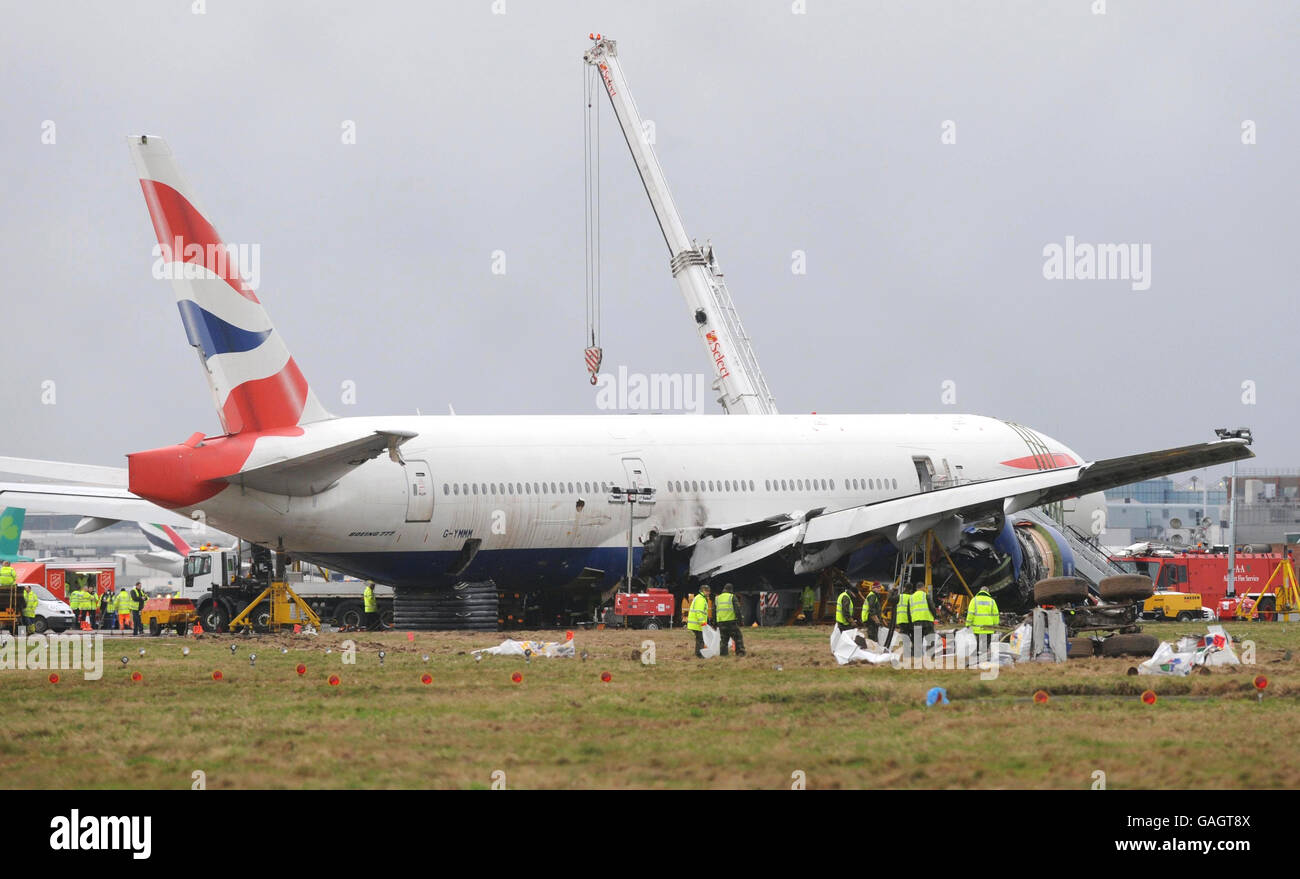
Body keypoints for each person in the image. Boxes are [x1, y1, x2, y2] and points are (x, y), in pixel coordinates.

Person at [965, 586, 1000, 662]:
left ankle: (975, 658)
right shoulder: (992, 601)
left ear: (980, 591)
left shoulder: (974, 600)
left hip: (977, 628)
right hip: (989, 628)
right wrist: (996, 625)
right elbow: (995, 614)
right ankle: (984, 658)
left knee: (977, 643)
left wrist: (968, 624)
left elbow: (970, 613)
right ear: (987, 592)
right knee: (986, 644)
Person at [715, 583, 745, 657]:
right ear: (731, 590)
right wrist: (740, 621)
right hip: (731, 621)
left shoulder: (718, 598)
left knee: (724, 639)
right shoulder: (732, 597)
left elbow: (714, 611)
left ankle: (723, 654)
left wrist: (714, 622)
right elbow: (737, 610)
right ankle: (740, 652)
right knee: (738, 637)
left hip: (721, 622)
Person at [909, 583, 936, 657]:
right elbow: (932, 607)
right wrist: (935, 615)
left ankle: (916, 654)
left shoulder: (911, 597)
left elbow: (910, 610)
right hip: (927, 620)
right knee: (930, 638)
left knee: (917, 639)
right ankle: (931, 654)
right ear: (923, 587)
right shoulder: (926, 595)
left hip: (916, 620)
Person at [686, 583, 711, 658]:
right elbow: (699, 612)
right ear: (703, 591)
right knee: (701, 639)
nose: (709, 593)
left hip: (696, 624)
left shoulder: (700, 597)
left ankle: (698, 653)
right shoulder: (700, 599)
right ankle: (700, 655)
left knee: (699, 638)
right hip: (697, 624)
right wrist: (703, 623)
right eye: (707, 591)